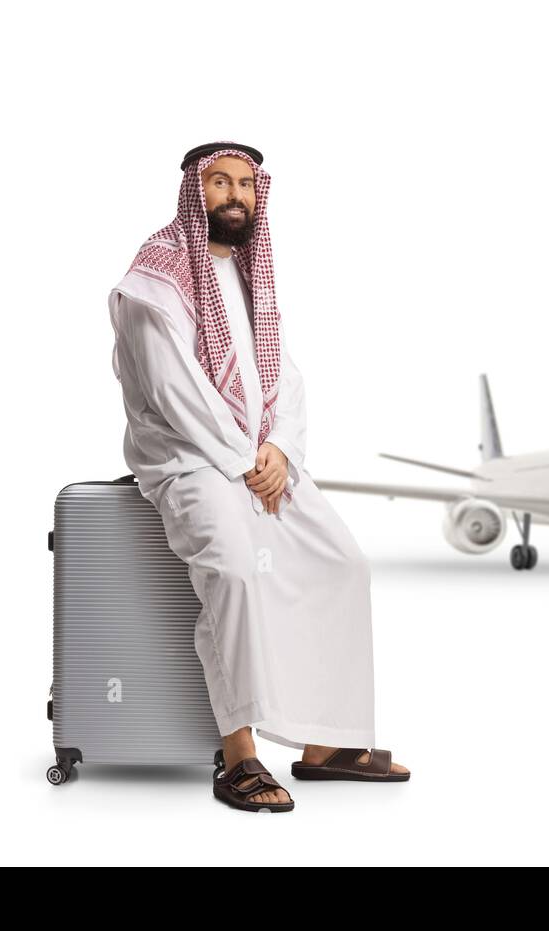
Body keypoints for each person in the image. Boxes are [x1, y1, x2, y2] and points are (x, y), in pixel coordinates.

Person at [106, 141, 409, 812]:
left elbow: (285, 380)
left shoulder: (248, 279)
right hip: (188, 462)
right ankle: (239, 757)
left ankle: (328, 744)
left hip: (257, 462)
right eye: (219, 182)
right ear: (195, 191)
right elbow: (172, 392)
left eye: (245, 183)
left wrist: (280, 451)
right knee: (237, 573)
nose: (235, 195)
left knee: (343, 563)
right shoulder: (153, 282)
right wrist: (245, 460)